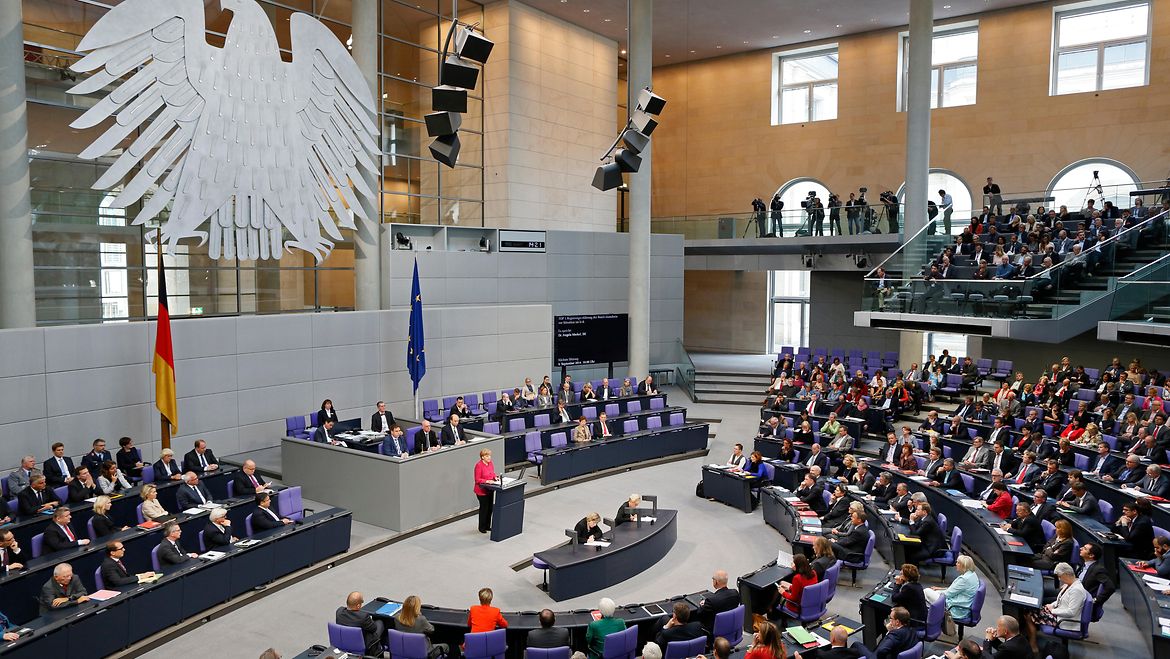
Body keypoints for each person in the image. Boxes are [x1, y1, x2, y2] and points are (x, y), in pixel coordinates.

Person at [1023, 563, 1088, 652]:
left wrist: (1053, 610)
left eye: (1060, 576)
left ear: (1066, 574)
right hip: (1058, 613)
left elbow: (1071, 612)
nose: (1059, 579)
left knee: (1029, 615)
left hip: (1063, 620)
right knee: (1029, 609)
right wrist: (1051, 605)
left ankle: (1033, 644)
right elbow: (1060, 600)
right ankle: (1029, 638)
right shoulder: (1070, 584)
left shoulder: (1077, 590)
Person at [925, 555, 980, 629]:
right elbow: (956, 590)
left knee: (926, 591)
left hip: (954, 608)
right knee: (933, 592)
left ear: (963, 565)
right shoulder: (972, 575)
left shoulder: (964, 579)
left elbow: (946, 594)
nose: (956, 564)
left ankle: (927, 621)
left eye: (958, 563)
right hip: (963, 607)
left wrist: (936, 591)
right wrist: (940, 589)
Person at [395, 595, 452, 659]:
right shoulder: (421, 619)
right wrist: (419, 615)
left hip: (404, 649)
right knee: (448, 646)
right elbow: (432, 630)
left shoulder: (397, 617)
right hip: (424, 652)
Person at [336, 591, 385, 657]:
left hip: (345, 642)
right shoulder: (363, 617)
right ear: (358, 605)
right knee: (380, 623)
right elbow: (373, 629)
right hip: (363, 643)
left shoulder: (339, 612)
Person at [473, 449, 497, 534]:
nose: (489, 457)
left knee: (490, 508)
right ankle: (481, 527)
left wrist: (495, 477)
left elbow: (492, 473)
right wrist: (487, 481)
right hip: (481, 491)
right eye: (487, 456)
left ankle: (487, 525)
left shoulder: (490, 463)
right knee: (484, 508)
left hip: (490, 489)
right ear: (482, 457)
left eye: (489, 455)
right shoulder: (478, 465)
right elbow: (477, 479)